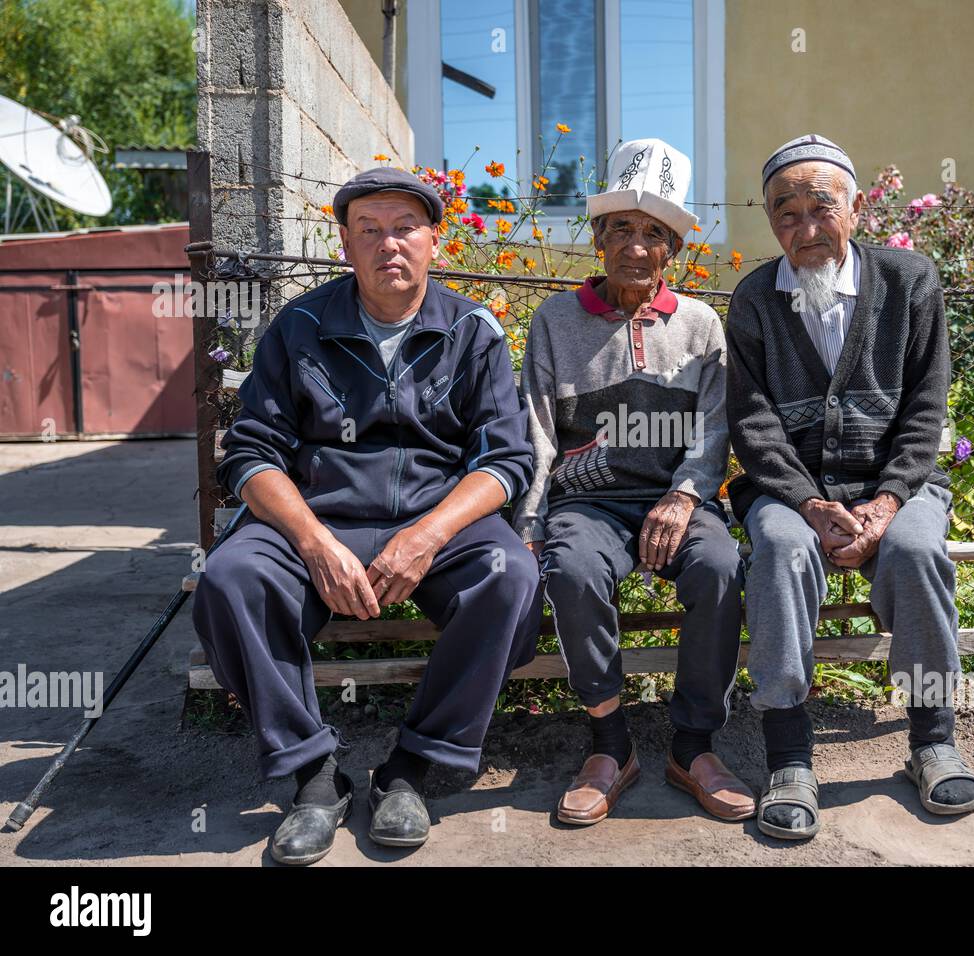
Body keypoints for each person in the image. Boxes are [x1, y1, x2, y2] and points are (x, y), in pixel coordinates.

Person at [193, 166, 542, 864]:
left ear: (434, 242)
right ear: (346, 245)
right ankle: (314, 776)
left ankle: (408, 769)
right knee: (231, 578)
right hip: (319, 518)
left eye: (406, 228)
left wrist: (427, 535)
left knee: (508, 576)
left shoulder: (473, 331)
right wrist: (314, 542)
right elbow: (251, 454)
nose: (390, 244)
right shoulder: (300, 327)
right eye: (369, 230)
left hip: (437, 522)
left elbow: (505, 460)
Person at [725, 134, 974, 841]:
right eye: (786, 213)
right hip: (791, 495)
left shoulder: (909, 281)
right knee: (778, 552)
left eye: (821, 207)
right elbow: (752, 425)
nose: (805, 229)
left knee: (915, 553)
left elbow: (926, 410)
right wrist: (810, 504)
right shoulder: (754, 298)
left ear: (858, 208)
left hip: (897, 486)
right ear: (770, 220)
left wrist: (885, 503)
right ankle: (788, 757)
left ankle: (932, 741)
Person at [514, 139, 752, 826]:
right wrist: (529, 526)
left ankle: (693, 743)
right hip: (587, 500)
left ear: (674, 250)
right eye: (621, 228)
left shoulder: (702, 324)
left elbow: (714, 429)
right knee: (576, 568)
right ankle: (611, 744)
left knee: (717, 564)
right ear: (597, 236)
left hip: (675, 499)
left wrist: (683, 497)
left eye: (654, 234)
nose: (636, 246)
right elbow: (536, 431)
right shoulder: (556, 322)